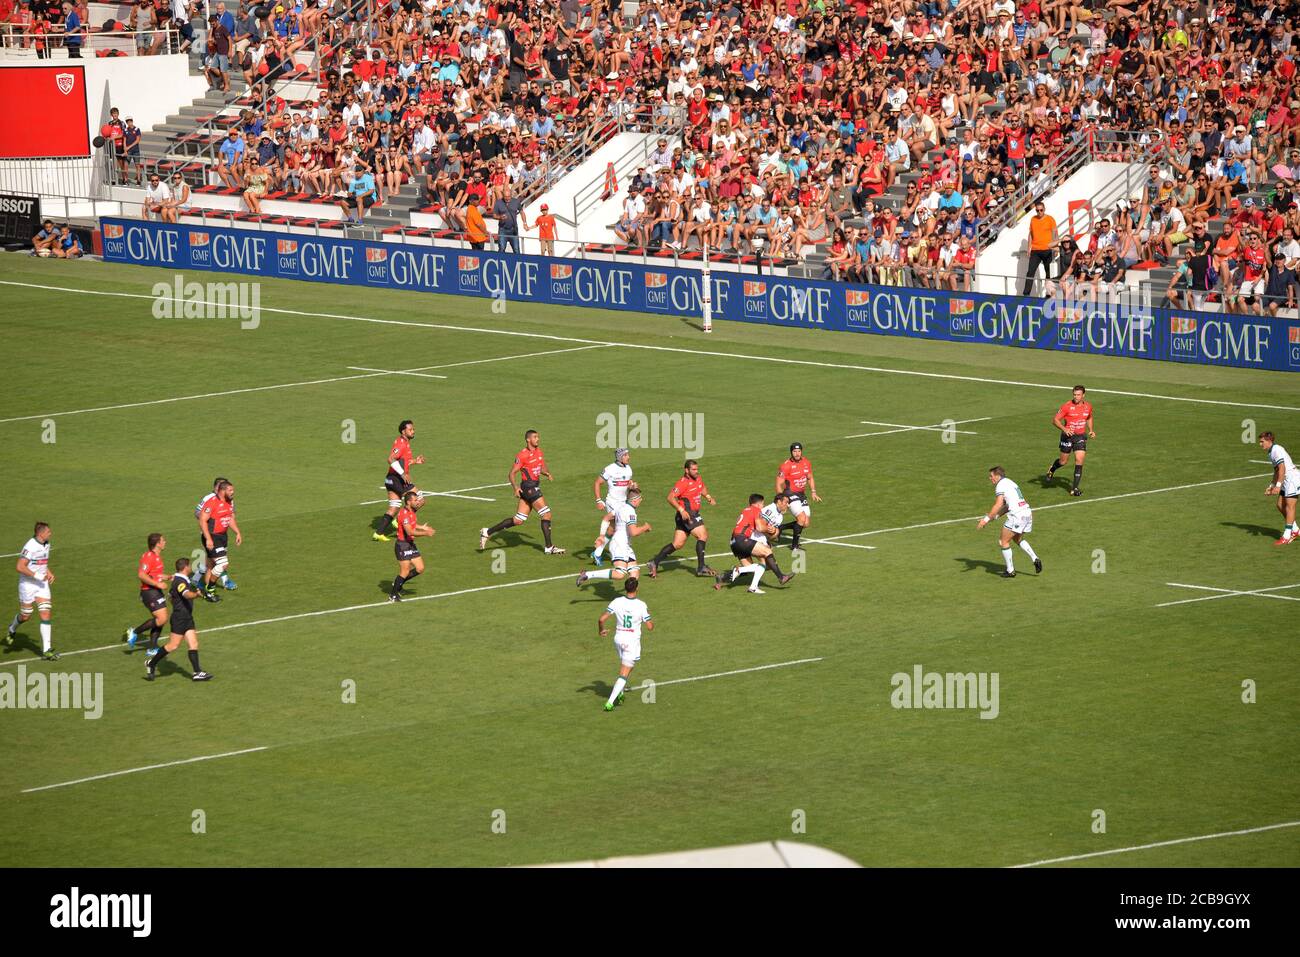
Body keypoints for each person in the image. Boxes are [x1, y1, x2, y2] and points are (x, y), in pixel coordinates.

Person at [479, 429, 565, 554]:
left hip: (532, 487)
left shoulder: (539, 452)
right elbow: (512, 473)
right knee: (546, 514)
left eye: (538, 437)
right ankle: (549, 547)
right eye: (535, 437)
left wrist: (546, 473)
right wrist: (515, 488)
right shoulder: (522, 455)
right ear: (528, 439)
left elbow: (540, 465)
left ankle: (487, 532)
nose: (538, 439)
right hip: (529, 488)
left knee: (518, 520)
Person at [646, 460, 718, 578]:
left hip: (687, 515)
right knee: (703, 535)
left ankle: (654, 562)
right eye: (693, 470)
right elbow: (670, 497)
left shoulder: (697, 478)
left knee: (677, 544)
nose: (696, 471)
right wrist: (681, 510)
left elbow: (701, 487)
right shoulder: (682, 483)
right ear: (686, 470)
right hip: (688, 514)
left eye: (697, 469)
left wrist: (708, 497)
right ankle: (701, 567)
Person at [145, 558, 212, 681]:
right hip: (179, 618)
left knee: (193, 643)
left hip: (187, 617)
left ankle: (197, 672)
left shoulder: (179, 580)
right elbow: (186, 594)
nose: (191, 567)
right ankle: (151, 663)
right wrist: (196, 595)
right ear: (185, 567)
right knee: (173, 645)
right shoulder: (180, 581)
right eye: (189, 565)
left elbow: (171, 596)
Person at [713, 494, 789, 595]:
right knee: (767, 553)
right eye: (762, 504)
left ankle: (727, 578)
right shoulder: (756, 510)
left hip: (734, 542)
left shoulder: (746, 510)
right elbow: (760, 528)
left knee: (751, 568)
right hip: (742, 539)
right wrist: (771, 529)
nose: (763, 506)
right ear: (758, 504)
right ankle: (781, 576)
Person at [596, 576, 653, 712]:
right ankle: (610, 702)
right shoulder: (641, 605)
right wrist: (649, 620)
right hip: (631, 642)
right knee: (624, 674)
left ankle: (620, 692)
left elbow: (601, 619)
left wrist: (601, 630)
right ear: (637, 588)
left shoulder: (617, 601)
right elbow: (650, 626)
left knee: (626, 668)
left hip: (618, 639)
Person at [577, 484, 649, 587]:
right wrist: (645, 527)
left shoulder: (621, 507)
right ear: (634, 500)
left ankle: (629, 598)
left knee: (635, 573)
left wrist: (602, 535)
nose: (641, 500)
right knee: (620, 574)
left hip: (625, 545)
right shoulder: (630, 512)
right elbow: (634, 532)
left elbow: (606, 518)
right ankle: (588, 574)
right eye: (640, 498)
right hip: (619, 544)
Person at [5, 522, 57, 660]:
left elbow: (42, 562)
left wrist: (49, 572)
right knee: (26, 615)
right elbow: (20, 567)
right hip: (27, 585)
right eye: (48, 532)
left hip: (42, 584)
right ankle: (12, 628)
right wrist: (37, 575)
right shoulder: (30, 546)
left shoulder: (46, 544)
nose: (50, 533)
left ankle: (47, 650)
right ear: (40, 533)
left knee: (45, 612)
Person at [977, 467, 1041, 578]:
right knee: (1017, 539)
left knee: (1003, 542)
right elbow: (1006, 506)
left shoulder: (1000, 486)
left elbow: (998, 504)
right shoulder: (1010, 482)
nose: (990, 478)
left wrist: (986, 520)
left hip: (1017, 515)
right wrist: (995, 516)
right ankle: (1035, 558)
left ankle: (1010, 571)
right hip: (1027, 513)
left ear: (997, 476)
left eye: (991, 476)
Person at [375, 420, 424, 541]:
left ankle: (378, 533)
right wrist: (402, 474)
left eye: (413, 429)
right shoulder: (401, 443)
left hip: (391, 479)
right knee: (419, 499)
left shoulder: (405, 443)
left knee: (395, 506)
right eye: (410, 429)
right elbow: (390, 459)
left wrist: (415, 461)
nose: (413, 431)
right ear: (403, 431)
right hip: (397, 479)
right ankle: (400, 522)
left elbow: (404, 461)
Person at [124, 532, 168, 654]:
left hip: (155, 591)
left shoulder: (157, 557)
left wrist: (169, 577)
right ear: (157, 544)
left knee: (161, 619)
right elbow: (141, 575)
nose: (165, 542)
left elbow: (155, 574)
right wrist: (157, 584)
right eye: (163, 540)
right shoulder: (149, 556)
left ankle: (153, 648)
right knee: (162, 618)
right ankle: (134, 632)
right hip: (149, 592)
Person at [1047, 385, 1095, 496]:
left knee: (1079, 460)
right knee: (1063, 462)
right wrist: (1064, 429)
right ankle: (1052, 469)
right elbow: (1055, 420)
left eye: (1078, 395)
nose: (1076, 397)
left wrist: (1091, 430)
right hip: (1067, 437)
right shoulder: (1067, 406)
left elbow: (1089, 417)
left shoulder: (1088, 406)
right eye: (1074, 394)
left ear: (1083, 395)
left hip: (1080, 437)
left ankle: (1075, 488)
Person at [198, 480, 241, 598]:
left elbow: (230, 518)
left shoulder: (229, 501)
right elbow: (202, 520)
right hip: (212, 537)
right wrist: (208, 539)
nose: (233, 492)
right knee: (223, 564)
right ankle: (210, 587)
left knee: (211, 565)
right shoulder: (211, 503)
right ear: (222, 491)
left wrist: (237, 532)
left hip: (222, 537)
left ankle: (206, 590)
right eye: (230, 490)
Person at [389, 490, 435, 601]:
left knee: (420, 568)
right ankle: (393, 595)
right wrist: (426, 533)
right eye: (415, 500)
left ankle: (398, 583)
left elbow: (422, 503)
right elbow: (410, 532)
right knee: (404, 571)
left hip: (410, 544)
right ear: (409, 502)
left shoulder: (411, 510)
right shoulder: (404, 514)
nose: (417, 502)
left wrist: (420, 496)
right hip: (402, 546)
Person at [775, 442, 822, 550]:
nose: (797, 453)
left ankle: (781, 527)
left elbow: (810, 478)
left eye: (799, 451)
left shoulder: (806, 462)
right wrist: (781, 499)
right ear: (791, 452)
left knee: (805, 523)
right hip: (789, 494)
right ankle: (794, 545)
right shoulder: (786, 466)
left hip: (801, 495)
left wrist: (813, 492)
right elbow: (778, 483)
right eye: (794, 451)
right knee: (801, 518)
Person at [592, 448, 632, 566]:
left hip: (623, 503)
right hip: (612, 503)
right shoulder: (610, 469)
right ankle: (623, 553)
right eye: (626, 455)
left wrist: (632, 485)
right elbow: (597, 482)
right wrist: (599, 500)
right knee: (622, 528)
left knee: (613, 529)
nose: (628, 457)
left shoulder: (629, 469)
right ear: (620, 457)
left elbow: (627, 484)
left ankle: (598, 551)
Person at [1259, 432, 1300, 545]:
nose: (1260, 444)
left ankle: (1287, 535)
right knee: (1280, 505)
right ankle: (1295, 530)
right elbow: (1277, 471)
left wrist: (1278, 486)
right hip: (1286, 480)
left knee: (1289, 506)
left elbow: (1282, 468)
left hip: (1292, 479)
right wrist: (1271, 486)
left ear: (1269, 441)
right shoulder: (1271, 452)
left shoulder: (1276, 450)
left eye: (1262, 441)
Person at [1023, 200, 1057, 295]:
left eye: (1041, 210)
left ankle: (1049, 293)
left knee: (1049, 272)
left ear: (1044, 209)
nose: (1039, 212)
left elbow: (1055, 234)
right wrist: (1029, 247)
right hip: (1035, 250)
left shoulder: (1050, 219)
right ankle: (1026, 294)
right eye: (1037, 210)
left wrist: (1055, 247)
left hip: (1048, 249)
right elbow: (1030, 234)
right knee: (1030, 272)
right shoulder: (1033, 219)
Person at [492, 184, 528, 253]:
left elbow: (521, 212)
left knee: (516, 250)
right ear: (503, 195)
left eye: (509, 197)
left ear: (511, 195)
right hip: (503, 229)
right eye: (505, 197)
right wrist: (500, 217)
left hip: (513, 229)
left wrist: (525, 223)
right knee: (501, 248)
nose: (507, 198)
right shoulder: (498, 202)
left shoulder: (516, 201)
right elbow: (494, 215)